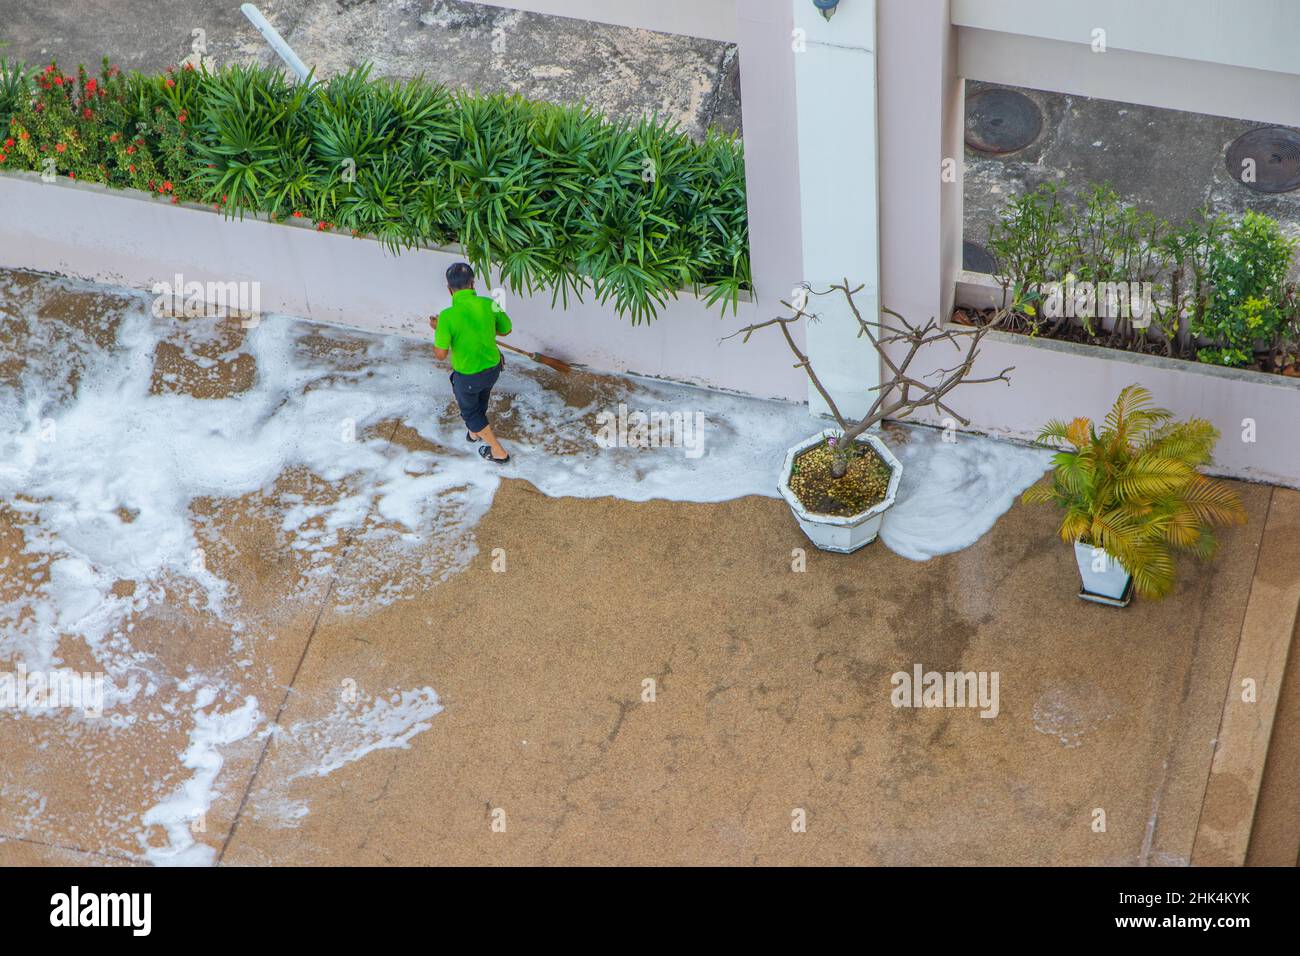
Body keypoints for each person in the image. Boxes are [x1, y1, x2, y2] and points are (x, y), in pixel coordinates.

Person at [429, 262, 512, 463]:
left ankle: (498, 451)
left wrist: (438, 329)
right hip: (493, 369)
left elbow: (440, 355)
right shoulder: (488, 303)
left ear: (450, 289)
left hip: (468, 376)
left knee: (470, 412)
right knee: (480, 398)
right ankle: (475, 433)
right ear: (473, 284)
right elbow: (506, 329)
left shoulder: (447, 317)